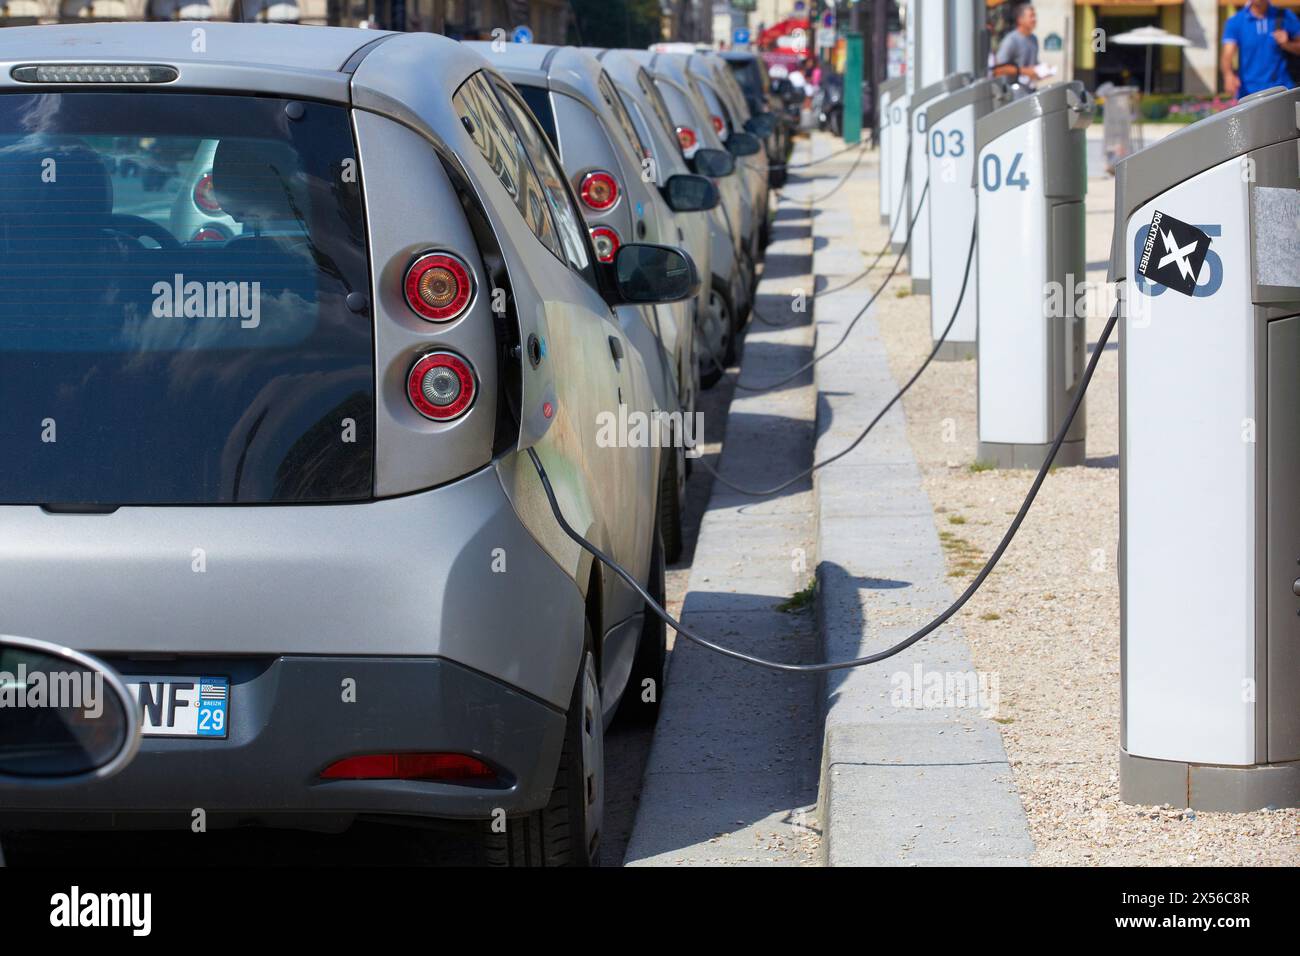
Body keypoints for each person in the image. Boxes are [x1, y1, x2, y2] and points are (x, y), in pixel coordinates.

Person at [1221, 0, 1300, 99]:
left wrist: (1287, 44)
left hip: (1282, 90)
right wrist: (1228, 75)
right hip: (1248, 93)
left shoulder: (1285, 16)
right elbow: (1227, 55)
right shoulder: (1236, 21)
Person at [993, 2, 1048, 88]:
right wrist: (1024, 71)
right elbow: (997, 69)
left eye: (1035, 16)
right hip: (1013, 95)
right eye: (1031, 16)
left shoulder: (1034, 39)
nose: (1034, 19)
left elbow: (1031, 65)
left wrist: (1042, 70)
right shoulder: (1011, 40)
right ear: (1020, 19)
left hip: (1030, 91)